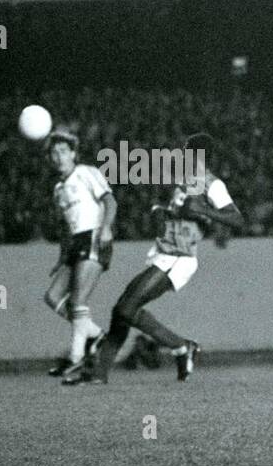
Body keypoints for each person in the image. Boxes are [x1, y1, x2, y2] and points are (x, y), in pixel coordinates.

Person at [76, 133, 245, 385]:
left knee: (125, 308)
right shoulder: (183, 181)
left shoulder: (212, 185)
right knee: (121, 309)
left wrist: (204, 210)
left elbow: (237, 218)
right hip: (163, 252)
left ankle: (180, 346)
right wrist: (160, 213)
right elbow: (175, 213)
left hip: (180, 256)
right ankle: (100, 373)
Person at [42, 130, 117, 378]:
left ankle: (75, 357)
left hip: (94, 236)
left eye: (63, 151)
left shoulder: (86, 173)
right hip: (75, 244)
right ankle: (94, 335)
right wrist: (62, 257)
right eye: (54, 152)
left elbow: (110, 201)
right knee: (53, 296)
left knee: (77, 302)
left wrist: (106, 228)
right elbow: (66, 227)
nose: (59, 156)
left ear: (73, 153)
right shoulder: (58, 189)